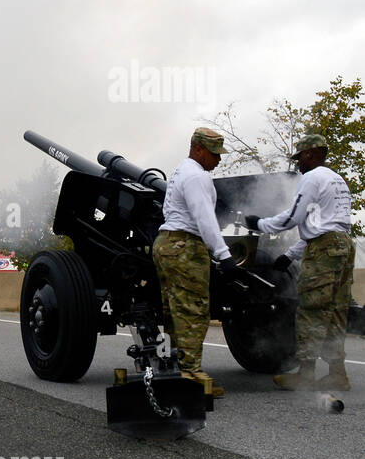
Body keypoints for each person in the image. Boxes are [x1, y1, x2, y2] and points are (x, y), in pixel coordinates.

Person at [245, 134, 355, 391]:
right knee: (336, 311)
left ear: (310, 154)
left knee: (312, 310)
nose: (298, 164)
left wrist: (260, 225)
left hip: (324, 250)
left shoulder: (312, 178)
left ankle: (305, 374)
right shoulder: (337, 179)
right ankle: (338, 374)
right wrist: (290, 255)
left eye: (300, 158)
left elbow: (294, 217)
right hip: (342, 246)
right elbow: (324, 226)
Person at [152, 127, 240, 397]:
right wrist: (224, 255)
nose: (219, 160)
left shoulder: (181, 170)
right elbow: (205, 219)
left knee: (174, 311)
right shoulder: (197, 177)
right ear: (198, 149)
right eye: (214, 154)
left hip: (167, 243)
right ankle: (190, 373)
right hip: (185, 246)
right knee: (193, 311)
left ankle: (172, 368)